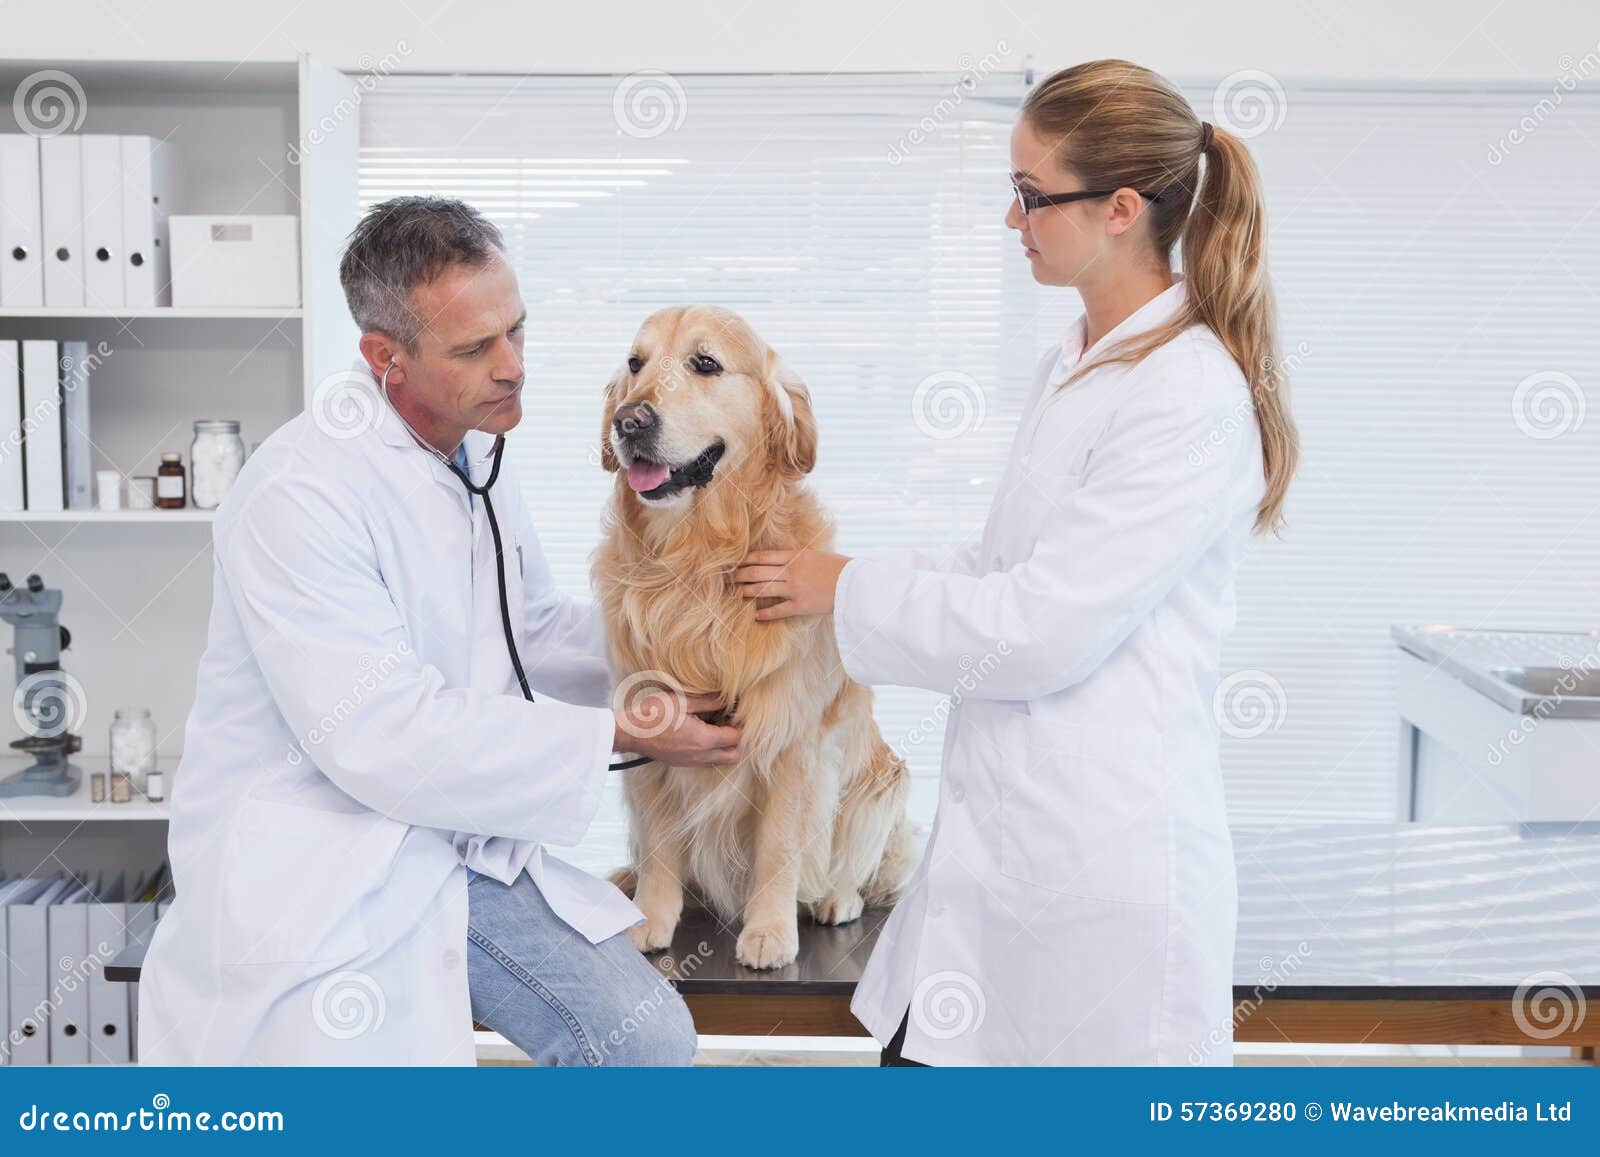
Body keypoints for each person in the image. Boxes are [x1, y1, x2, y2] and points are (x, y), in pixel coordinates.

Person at [733, 59, 1298, 1066]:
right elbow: (1009, 565)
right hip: (1006, 870)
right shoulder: (1081, 359)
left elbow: (1041, 629)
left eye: (1032, 197)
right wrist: (835, 574)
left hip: (1096, 891)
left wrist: (847, 589)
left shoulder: (1188, 395)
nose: (1011, 220)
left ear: (1121, 207)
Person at [139, 196, 740, 1066]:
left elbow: (525, 628)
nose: (513, 367)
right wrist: (625, 727)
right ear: (385, 359)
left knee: (643, 1040)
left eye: (517, 332)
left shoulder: (478, 448)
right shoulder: (300, 493)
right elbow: (383, 731)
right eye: (473, 349)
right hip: (331, 854)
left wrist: (672, 661)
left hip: (457, 835)